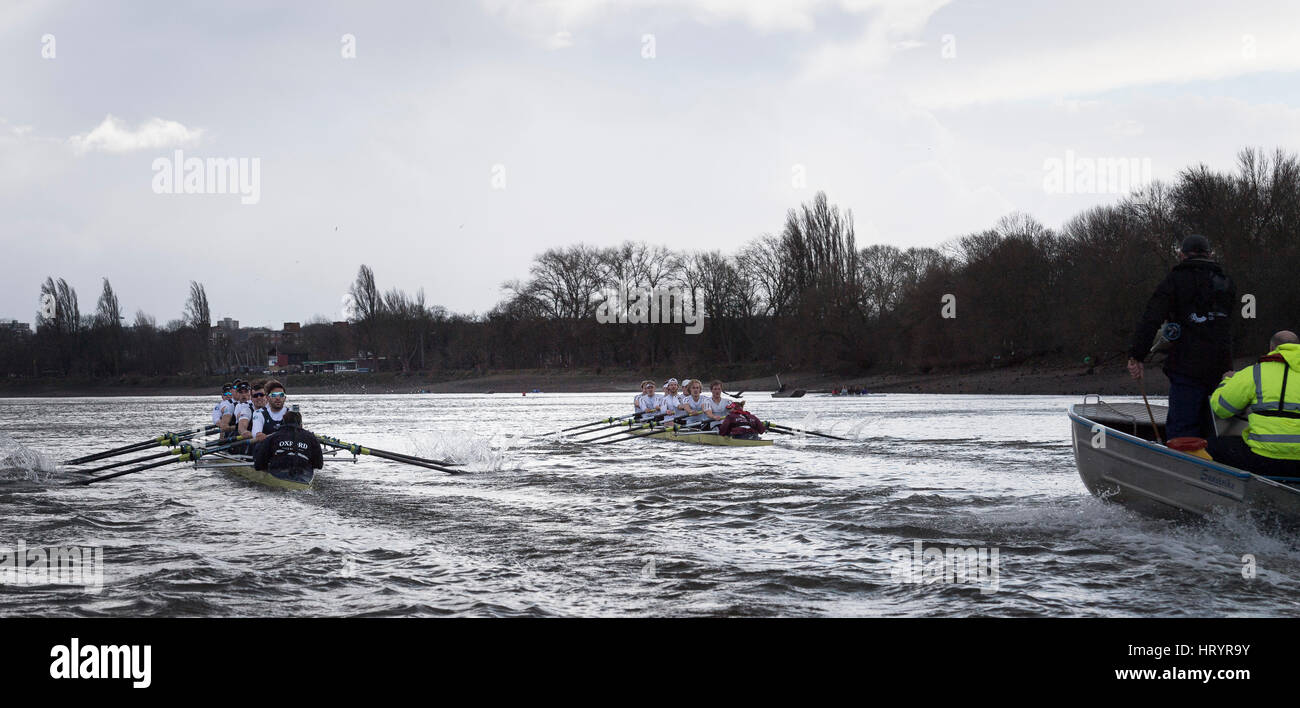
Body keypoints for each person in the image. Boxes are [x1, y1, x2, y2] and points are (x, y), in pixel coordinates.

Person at [1127, 234, 1236, 440]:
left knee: (1182, 430)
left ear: (1181, 255)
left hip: (1187, 366)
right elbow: (1228, 326)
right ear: (1210, 254)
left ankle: (1183, 465)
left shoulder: (1174, 281)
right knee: (1213, 427)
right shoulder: (1226, 283)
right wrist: (1229, 366)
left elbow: (1151, 318)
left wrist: (1137, 356)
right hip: (1221, 367)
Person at [1206, 331, 1300, 479]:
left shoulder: (1255, 372)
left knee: (1213, 446)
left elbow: (1221, 408)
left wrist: (1227, 381)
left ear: (1271, 348)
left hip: (1263, 458)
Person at [252, 411, 323, 484]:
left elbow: (258, 465)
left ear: (283, 422)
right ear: (301, 424)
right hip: (304, 474)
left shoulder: (273, 437)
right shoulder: (311, 437)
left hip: (279, 472)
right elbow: (319, 465)